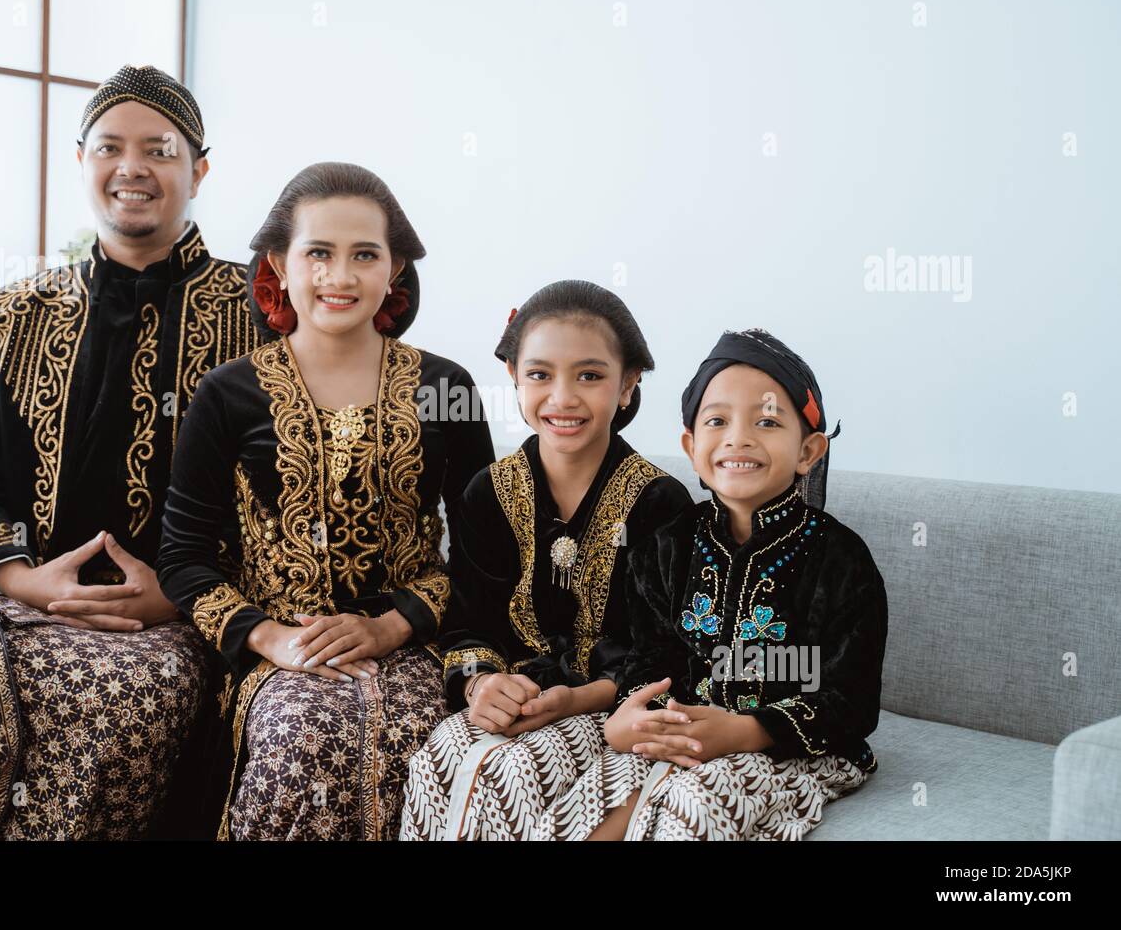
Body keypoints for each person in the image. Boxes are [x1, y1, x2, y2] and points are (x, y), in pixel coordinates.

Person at [0, 65, 258, 840]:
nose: (133, 168)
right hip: (28, 599)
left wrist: (182, 593)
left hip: (177, 618)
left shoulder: (260, 316)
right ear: (82, 159)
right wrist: (25, 581)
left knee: (117, 699)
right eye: (110, 147)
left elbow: (285, 489)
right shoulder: (16, 313)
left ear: (199, 169)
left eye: (159, 149)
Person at [157, 161, 496, 840]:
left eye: (364, 255)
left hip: (415, 649)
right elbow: (184, 558)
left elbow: (486, 557)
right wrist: (270, 638)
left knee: (434, 749)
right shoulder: (226, 393)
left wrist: (390, 628)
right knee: (300, 741)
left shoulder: (444, 385)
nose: (340, 278)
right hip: (281, 652)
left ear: (394, 268)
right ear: (279, 265)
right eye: (319, 253)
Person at [538, 328, 888, 840]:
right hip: (684, 726)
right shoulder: (667, 545)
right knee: (600, 806)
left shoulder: (841, 559)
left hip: (796, 748)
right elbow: (648, 656)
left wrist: (745, 730)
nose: (738, 438)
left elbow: (851, 698)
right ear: (692, 445)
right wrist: (632, 714)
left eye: (767, 421)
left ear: (808, 450)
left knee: (692, 801)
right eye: (717, 421)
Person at [401, 281, 691, 840]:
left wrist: (576, 699)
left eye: (589, 375)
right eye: (540, 375)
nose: (562, 398)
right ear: (513, 374)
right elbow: (467, 621)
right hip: (516, 698)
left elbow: (664, 652)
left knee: (508, 774)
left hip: (612, 710)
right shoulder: (488, 492)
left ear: (628, 383)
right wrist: (481, 685)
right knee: (438, 758)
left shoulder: (661, 504)